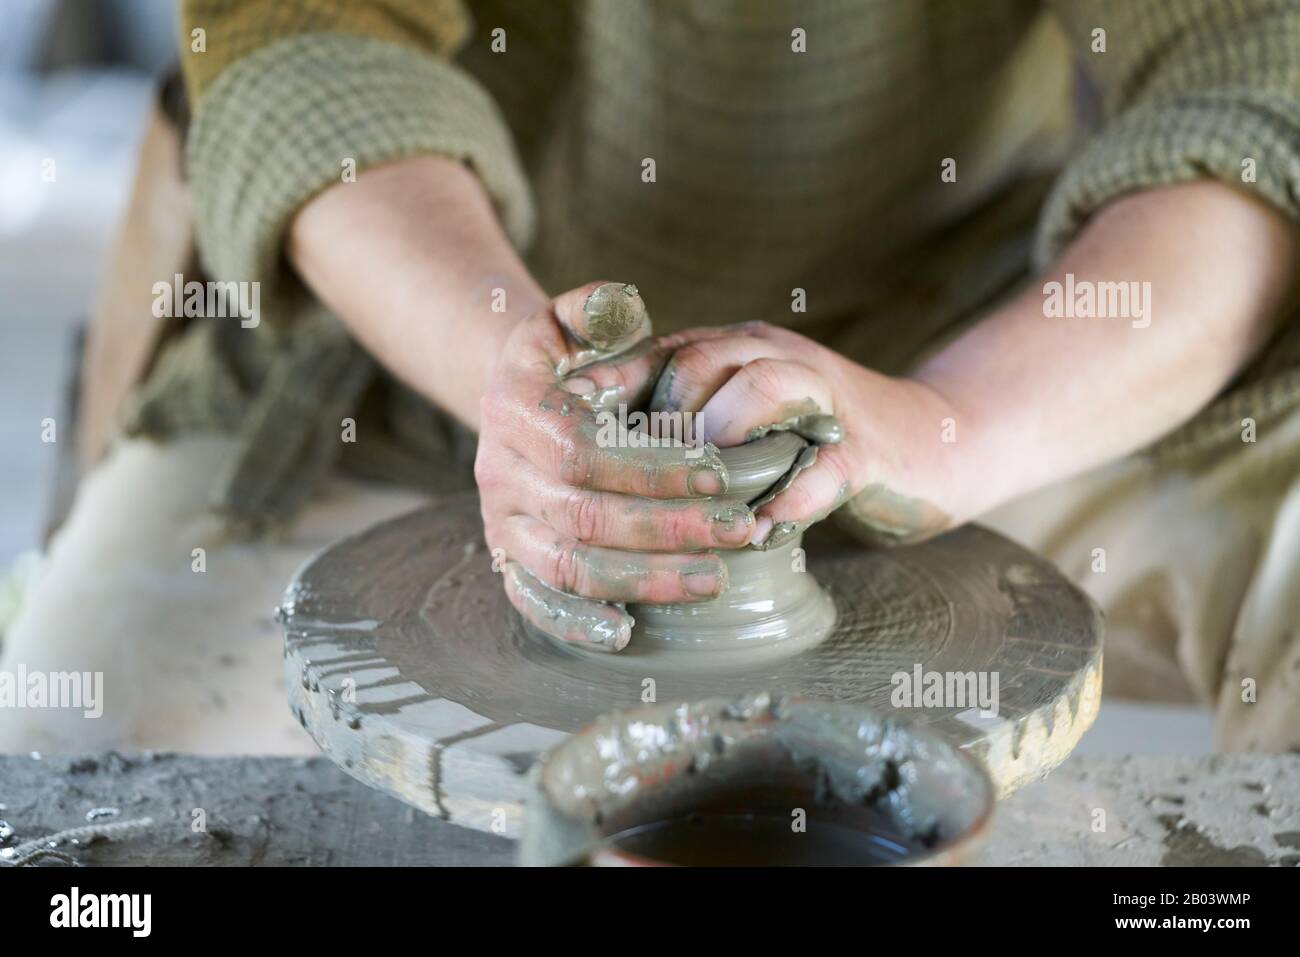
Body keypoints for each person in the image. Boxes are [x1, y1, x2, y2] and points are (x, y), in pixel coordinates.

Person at [2, 0, 1297, 753]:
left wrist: (943, 429)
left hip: (957, 335)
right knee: (80, 803)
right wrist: (520, 393)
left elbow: (1253, 81)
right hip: (415, 343)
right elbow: (306, 42)